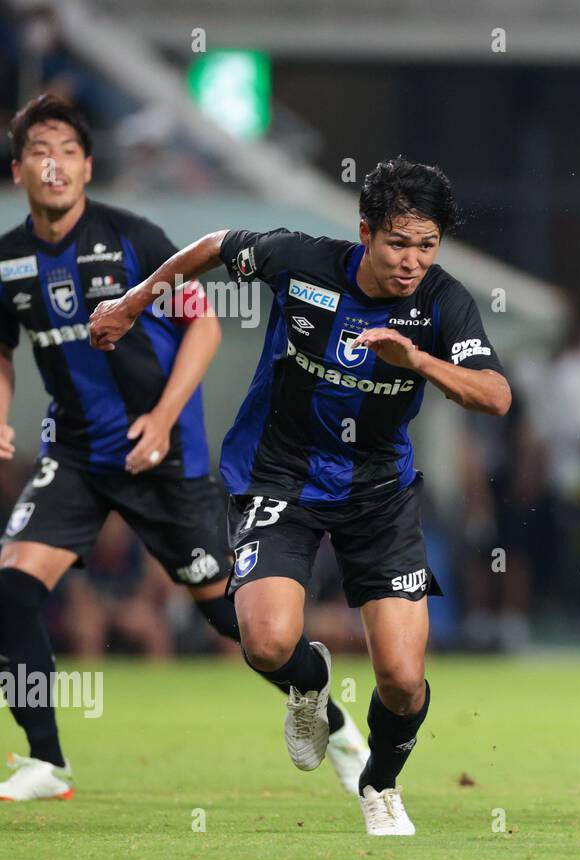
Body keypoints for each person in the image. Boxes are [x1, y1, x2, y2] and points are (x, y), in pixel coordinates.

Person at [89, 157, 511, 836]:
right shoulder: (302, 262)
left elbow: (496, 395)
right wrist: (133, 302)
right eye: (399, 243)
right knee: (263, 641)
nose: (412, 261)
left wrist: (420, 361)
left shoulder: (442, 302)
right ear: (366, 232)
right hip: (278, 476)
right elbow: (214, 246)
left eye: (427, 245)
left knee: (403, 679)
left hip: (378, 491)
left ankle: (380, 783)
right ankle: (308, 687)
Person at [0, 93, 368, 801]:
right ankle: (46, 761)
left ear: (87, 167)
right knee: (12, 589)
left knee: (230, 618)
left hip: (164, 458)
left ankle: (332, 713)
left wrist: (165, 418)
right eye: (42, 151)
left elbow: (200, 328)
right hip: (76, 456)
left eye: (70, 152)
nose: (57, 164)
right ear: (20, 169)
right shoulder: (9, 260)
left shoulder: (132, 235)